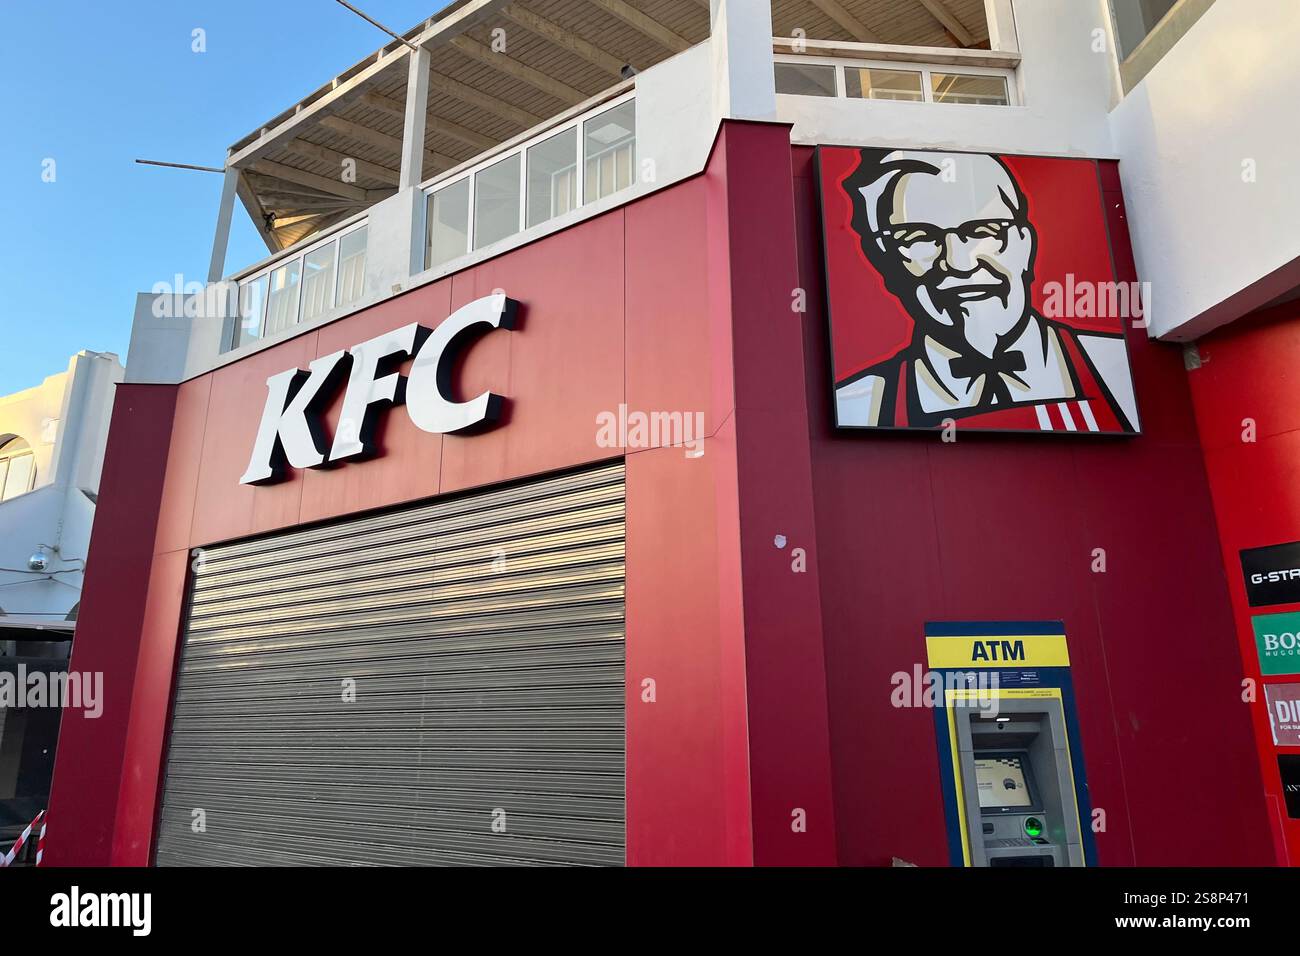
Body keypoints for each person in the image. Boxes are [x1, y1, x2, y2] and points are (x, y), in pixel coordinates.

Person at [834, 149, 1138, 432]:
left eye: (983, 230)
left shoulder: (1111, 367)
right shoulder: (860, 403)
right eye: (919, 237)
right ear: (887, 264)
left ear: (1026, 243)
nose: (959, 262)